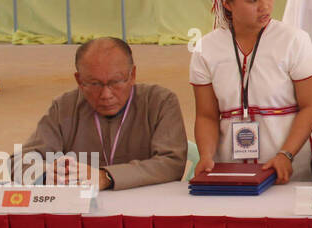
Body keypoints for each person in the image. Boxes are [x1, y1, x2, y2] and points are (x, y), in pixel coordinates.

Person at [190, 0, 312, 182]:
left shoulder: (295, 41)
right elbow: (206, 115)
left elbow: (311, 107)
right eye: (252, 0)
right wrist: (206, 155)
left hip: (291, 168)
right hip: (231, 169)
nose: (265, 6)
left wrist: (286, 154)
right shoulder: (206, 49)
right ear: (227, 3)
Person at [20, 37, 187, 189]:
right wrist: (48, 175)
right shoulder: (64, 107)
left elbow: (172, 163)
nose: (106, 95)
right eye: (94, 84)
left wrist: (106, 176)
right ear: (79, 80)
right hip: (81, 211)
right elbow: (20, 162)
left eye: (116, 82)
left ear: (133, 75)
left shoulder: (160, 102)